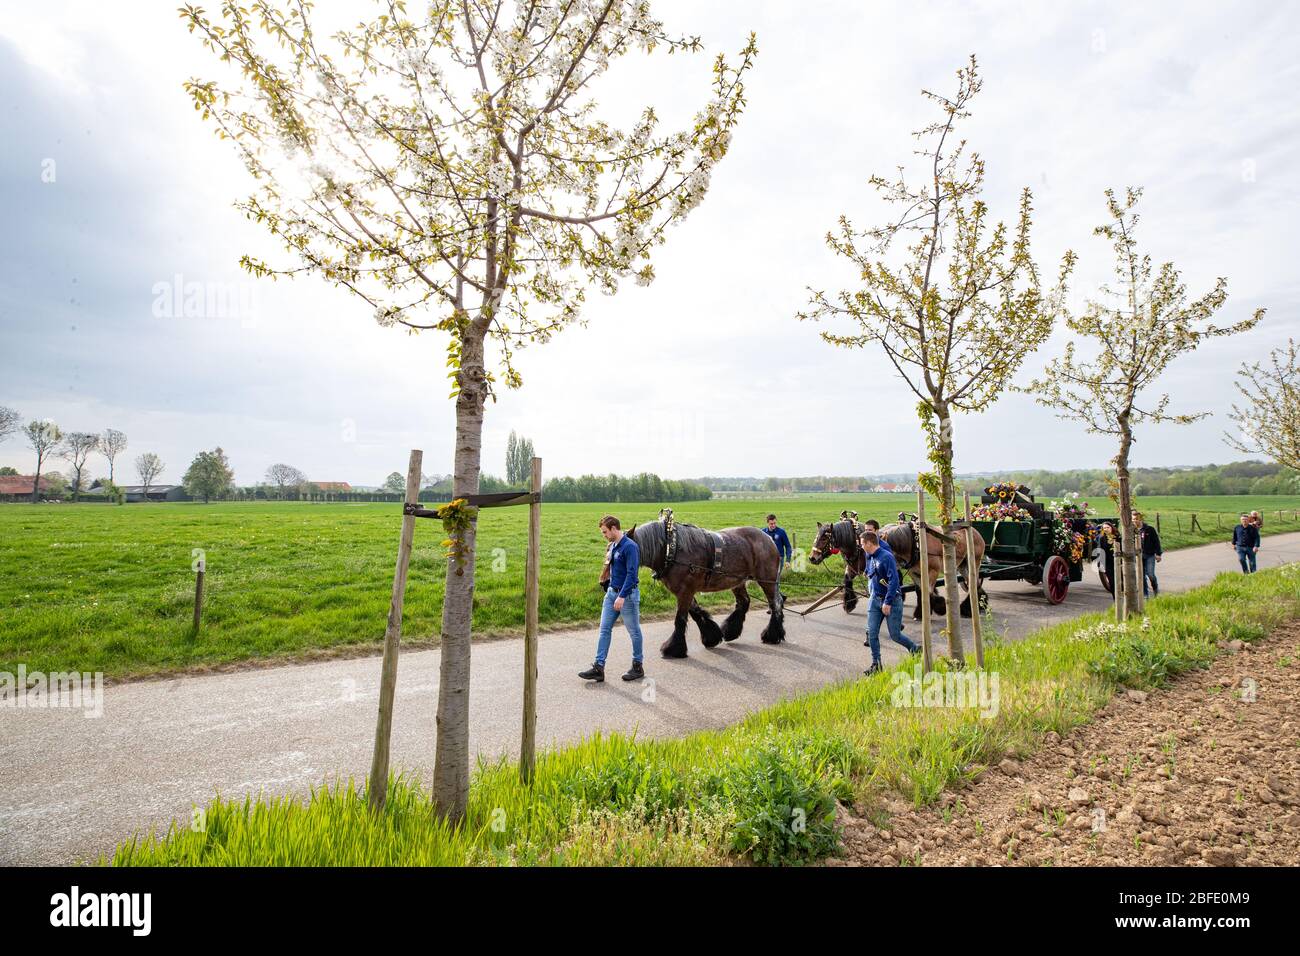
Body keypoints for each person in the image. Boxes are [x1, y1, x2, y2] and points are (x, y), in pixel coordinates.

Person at [580, 515, 645, 682]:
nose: (604, 535)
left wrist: (622, 596)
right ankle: (598, 668)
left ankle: (638, 666)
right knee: (604, 629)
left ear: (614, 528)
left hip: (627, 596)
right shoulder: (612, 545)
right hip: (611, 594)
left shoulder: (630, 547)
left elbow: (632, 575)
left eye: (605, 532)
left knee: (634, 631)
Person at [861, 529, 919, 676]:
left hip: (891, 601)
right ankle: (876, 664)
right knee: (872, 633)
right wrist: (868, 572)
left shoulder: (887, 557)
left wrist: (887, 602)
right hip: (875, 600)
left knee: (895, 635)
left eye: (862, 543)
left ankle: (915, 649)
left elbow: (894, 581)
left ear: (869, 543)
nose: (861, 546)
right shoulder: (869, 555)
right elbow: (870, 570)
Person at [1133, 511, 1163, 597]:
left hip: (1149, 555)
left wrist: (1158, 554)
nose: (1135, 521)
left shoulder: (1150, 529)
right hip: (1137, 556)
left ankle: (1155, 588)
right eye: (1133, 519)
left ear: (1141, 519)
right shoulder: (1131, 531)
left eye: (1137, 519)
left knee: (1150, 574)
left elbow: (1156, 542)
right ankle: (1145, 595)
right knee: (1141, 576)